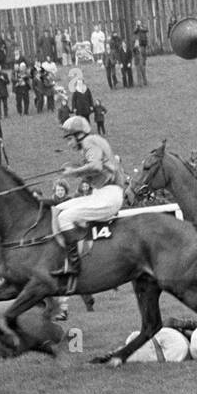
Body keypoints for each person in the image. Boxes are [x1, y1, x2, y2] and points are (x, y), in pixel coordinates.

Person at [45, 115, 125, 283]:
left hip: (109, 195)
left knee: (64, 216)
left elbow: (95, 166)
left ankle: (74, 265)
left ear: (79, 135)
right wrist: (75, 169)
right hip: (103, 193)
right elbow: (95, 169)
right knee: (58, 208)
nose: (68, 143)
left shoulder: (89, 142)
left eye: (69, 139)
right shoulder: (91, 143)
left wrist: (73, 172)